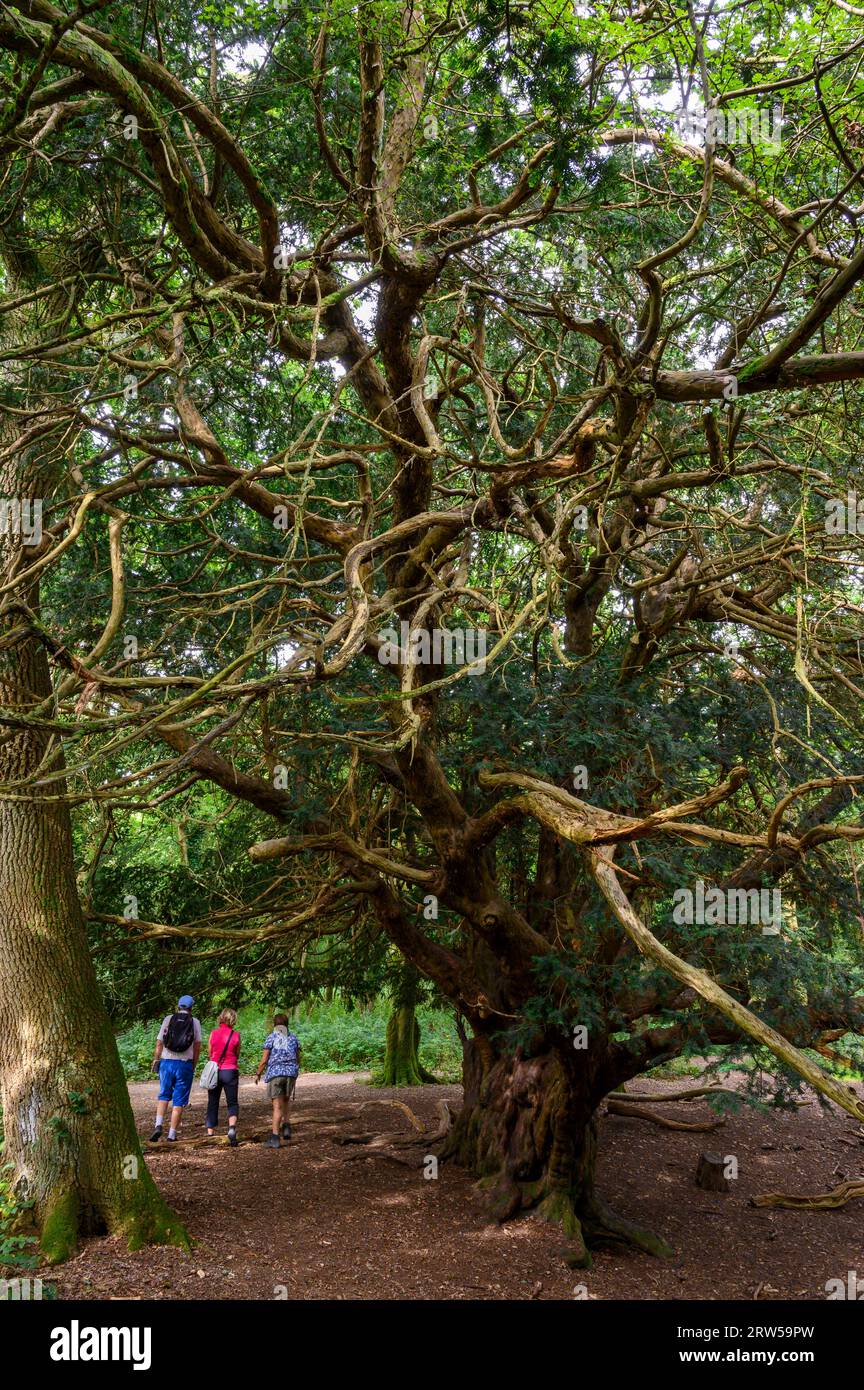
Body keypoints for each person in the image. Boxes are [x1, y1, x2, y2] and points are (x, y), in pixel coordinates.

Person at [150, 994, 201, 1142]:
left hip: (167, 1063)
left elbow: (160, 1043)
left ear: (178, 1006)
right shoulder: (195, 1022)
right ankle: (172, 1134)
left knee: (164, 1095)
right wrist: (193, 1065)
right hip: (184, 1064)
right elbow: (197, 1047)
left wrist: (157, 1059)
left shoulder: (168, 1019)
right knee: (179, 1100)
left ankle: (158, 1125)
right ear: (191, 1008)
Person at [255, 1012, 301, 1148]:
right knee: (286, 1100)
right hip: (291, 1073)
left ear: (275, 1025)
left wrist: (258, 1073)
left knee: (277, 1106)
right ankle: (286, 1127)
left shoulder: (271, 1038)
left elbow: (264, 1060)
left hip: (276, 1073)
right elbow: (298, 1057)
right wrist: (295, 1070)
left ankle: (275, 1137)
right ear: (286, 1024)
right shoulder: (293, 1038)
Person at [206, 1007, 241, 1145]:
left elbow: (210, 1053)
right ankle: (231, 1129)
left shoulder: (213, 1034)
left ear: (221, 1018)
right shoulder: (236, 1035)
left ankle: (210, 1132)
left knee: (213, 1100)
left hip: (215, 1071)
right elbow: (237, 1054)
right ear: (233, 1020)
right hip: (230, 1071)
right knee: (232, 1102)